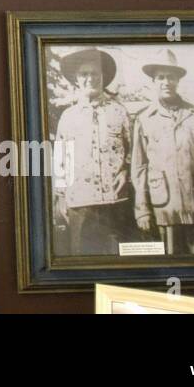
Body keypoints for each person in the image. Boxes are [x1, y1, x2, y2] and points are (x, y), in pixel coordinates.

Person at [131, 48, 194, 254]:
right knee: (168, 264)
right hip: (163, 208)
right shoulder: (144, 119)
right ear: (153, 82)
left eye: (171, 77)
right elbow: (139, 169)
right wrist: (142, 211)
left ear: (178, 81)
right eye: (161, 77)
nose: (166, 82)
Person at [51, 47, 134, 256]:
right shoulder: (68, 117)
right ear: (77, 79)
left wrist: (126, 171)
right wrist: (61, 198)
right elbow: (60, 162)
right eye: (84, 74)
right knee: (81, 260)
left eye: (94, 73)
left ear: (103, 77)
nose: (90, 78)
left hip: (115, 202)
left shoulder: (119, 112)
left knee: (117, 261)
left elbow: (134, 151)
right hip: (80, 204)